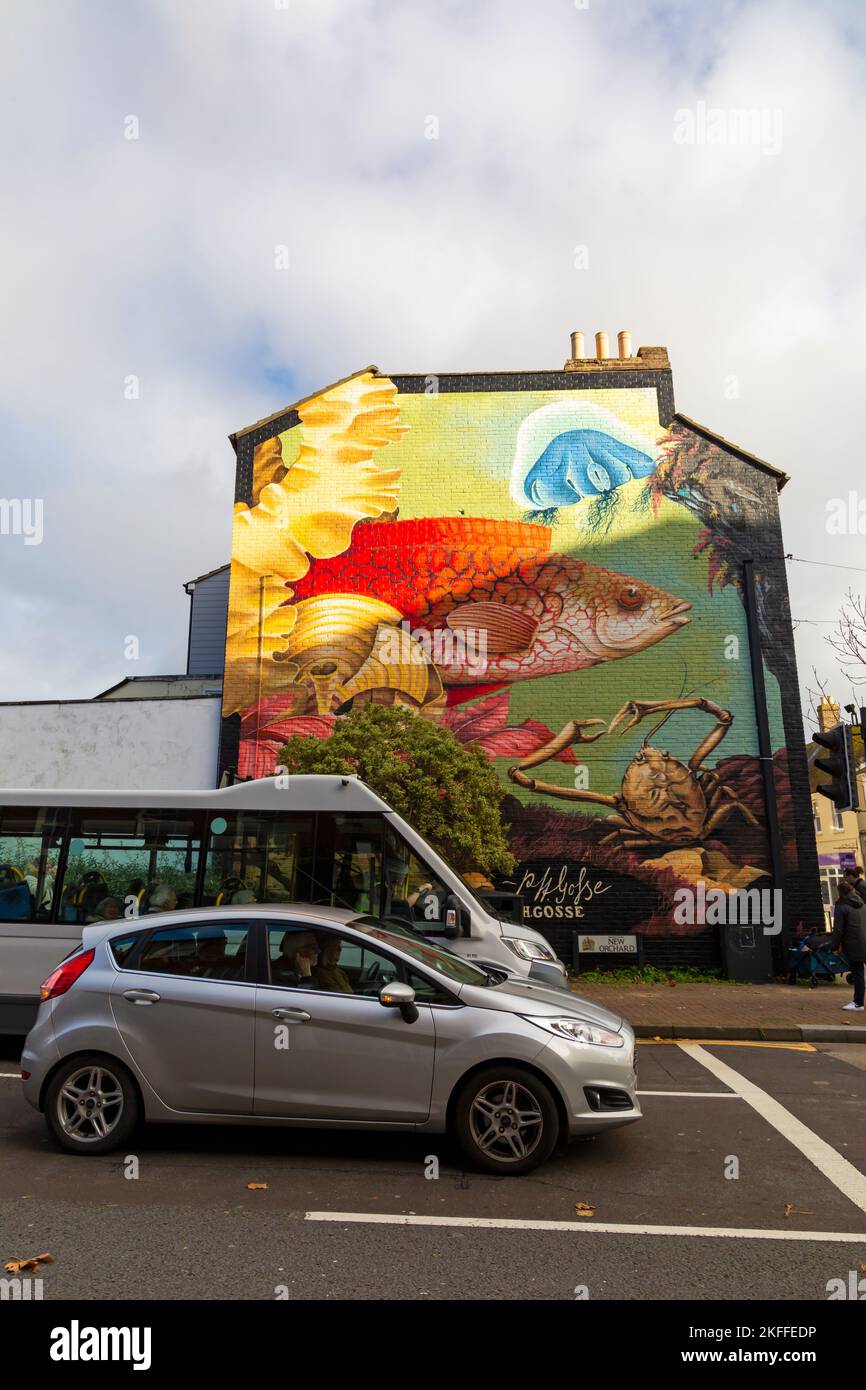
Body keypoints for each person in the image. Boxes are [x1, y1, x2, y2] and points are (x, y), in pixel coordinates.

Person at [828, 880, 866, 1011]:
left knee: (858, 972)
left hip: (854, 943)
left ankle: (858, 1003)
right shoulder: (861, 904)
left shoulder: (841, 906)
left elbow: (838, 930)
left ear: (840, 892)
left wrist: (833, 946)